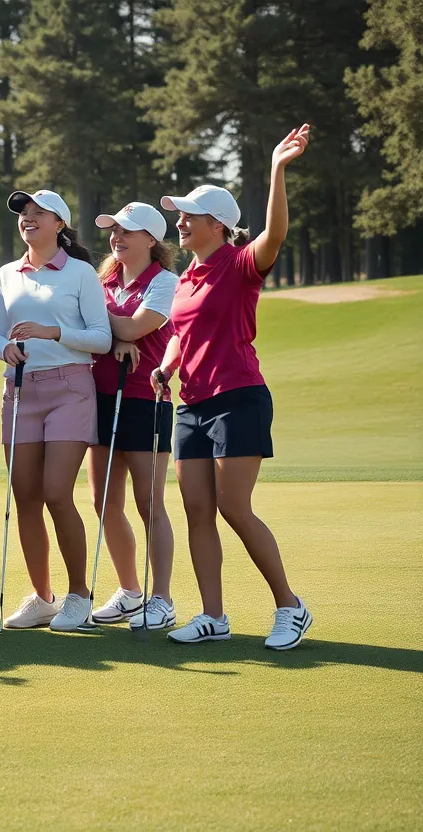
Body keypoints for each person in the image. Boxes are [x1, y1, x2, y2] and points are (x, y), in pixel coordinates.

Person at [156, 125, 313, 650]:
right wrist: (167, 368)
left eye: (188, 215)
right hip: (191, 404)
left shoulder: (242, 265)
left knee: (234, 507)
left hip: (239, 398)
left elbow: (275, 233)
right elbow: (181, 333)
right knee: (197, 510)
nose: (179, 221)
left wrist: (275, 169)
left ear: (218, 225)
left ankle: (290, 606)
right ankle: (213, 616)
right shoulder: (185, 280)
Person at [0, 189, 111, 632]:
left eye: (39, 213)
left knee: (57, 493)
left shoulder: (79, 273)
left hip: (69, 389)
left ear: (60, 224)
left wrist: (51, 332)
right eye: (24, 214)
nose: (28, 219)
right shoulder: (6, 274)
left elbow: (101, 338)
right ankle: (42, 598)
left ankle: (79, 594)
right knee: (25, 498)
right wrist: (6, 350)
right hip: (19, 392)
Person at [87, 202, 177, 629]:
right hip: (99, 397)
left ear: (151, 239)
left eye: (128, 231)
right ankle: (129, 592)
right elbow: (106, 330)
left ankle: (162, 599)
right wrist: (112, 333)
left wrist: (107, 328)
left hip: (146, 400)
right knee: (104, 502)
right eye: (114, 231)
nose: (117, 238)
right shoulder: (101, 280)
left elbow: (132, 328)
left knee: (149, 504)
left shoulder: (165, 282)